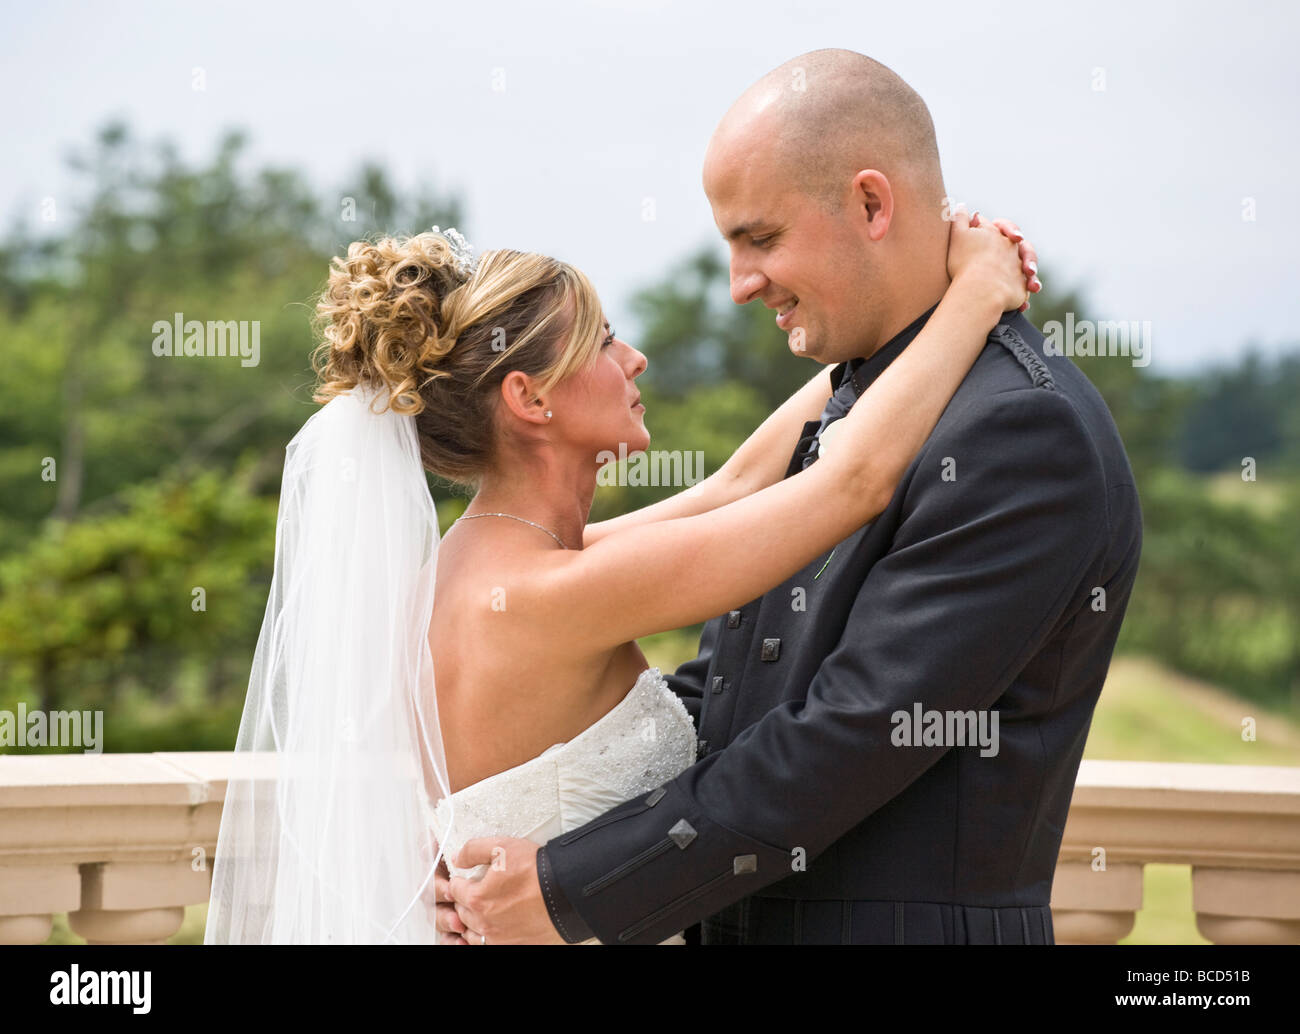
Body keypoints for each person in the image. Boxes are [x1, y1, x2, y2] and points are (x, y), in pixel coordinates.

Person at [432, 49, 1142, 946]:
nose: (738, 285)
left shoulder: (1020, 434)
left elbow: (845, 735)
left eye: (760, 238)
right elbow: (739, 684)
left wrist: (573, 886)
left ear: (874, 205)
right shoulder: (859, 409)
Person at [204, 199, 1032, 941]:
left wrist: (899, 313)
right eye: (603, 341)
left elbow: (740, 484)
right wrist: (974, 295)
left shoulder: (502, 567)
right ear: (532, 400)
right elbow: (852, 483)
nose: (634, 359)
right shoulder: (554, 593)